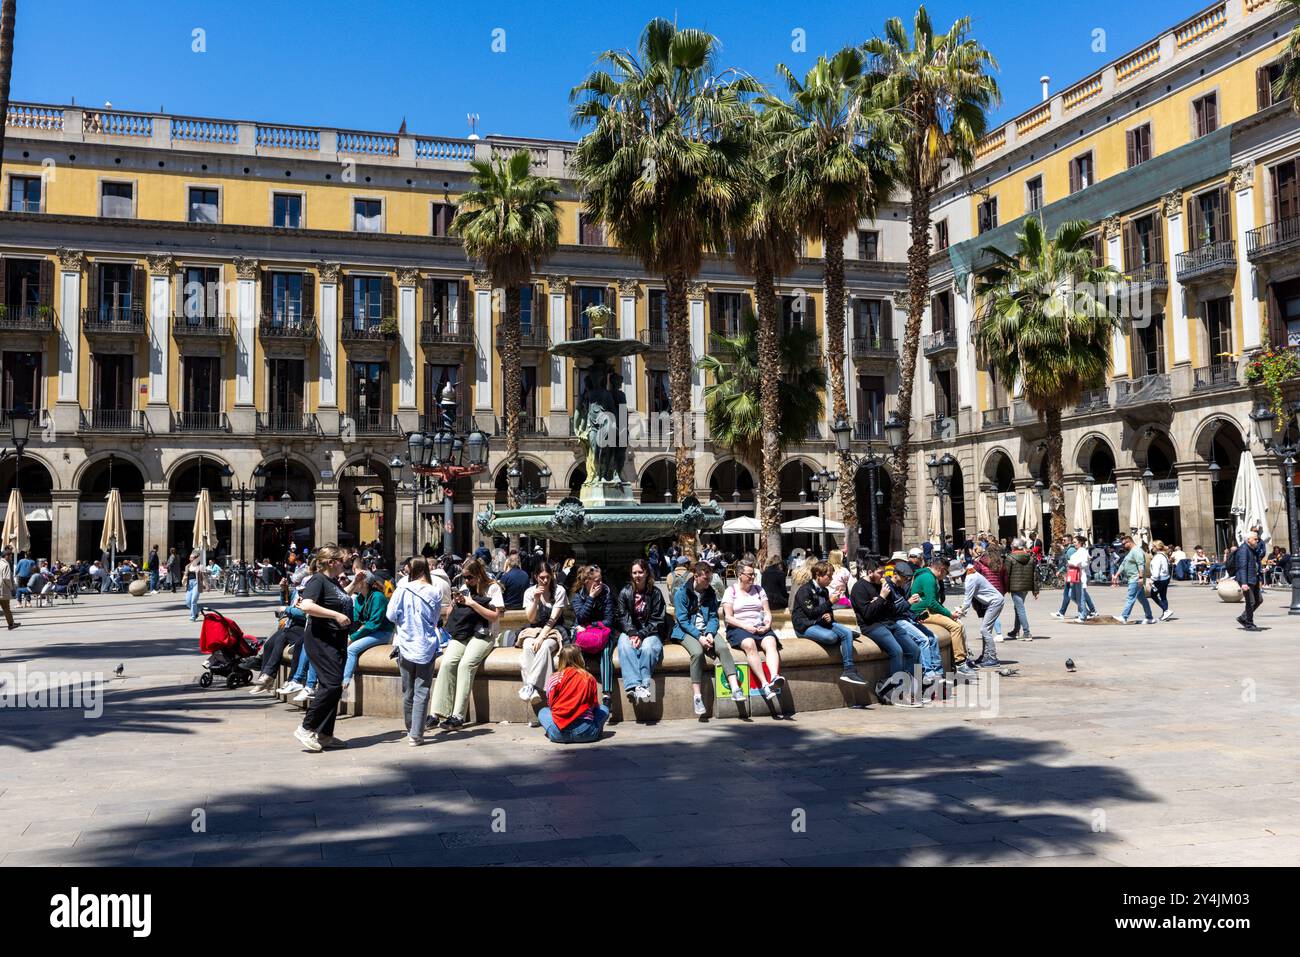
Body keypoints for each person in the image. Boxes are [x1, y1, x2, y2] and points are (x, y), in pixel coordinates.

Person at [431, 558, 503, 729]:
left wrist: (471, 603)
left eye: (470, 577)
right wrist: (454, 605)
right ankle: (437, 713)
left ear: (479, 575)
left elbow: (495, 616)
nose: (467, 581)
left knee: (465, 665)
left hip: (484, 635)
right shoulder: (464, 588)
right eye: (464, 577)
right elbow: (451, 613)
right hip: (464, 633)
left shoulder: (493, 588)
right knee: (447, 663)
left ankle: (457, 716)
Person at [294, 546, 354, 752]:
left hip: (336, 639)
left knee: (334, 686)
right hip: (321, 640)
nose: (344, 563)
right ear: (332, 562)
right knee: (331, 684)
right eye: (341, 560)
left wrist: (356, 584)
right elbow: (307, 605)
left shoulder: (332, 582)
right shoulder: (317, 580)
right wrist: (335, 616)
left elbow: (339, 599)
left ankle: (325, 734)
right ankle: (306, 728)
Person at [671, 561, 746, 715]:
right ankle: (697, 697)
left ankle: (735, 688)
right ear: (696, 576)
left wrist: (711, 633)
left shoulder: (710, 592)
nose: (709, 582)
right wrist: (700, 637)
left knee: (723, 648)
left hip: (706, 630)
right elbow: (683, 621)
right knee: (697, 653)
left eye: (710, 578)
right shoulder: (681, 593)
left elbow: (713, 617)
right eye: (706, 579)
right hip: (687, 631)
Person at [386, 557, 444, 745]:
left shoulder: (402, 587)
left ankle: (410, 727)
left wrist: (403, 620)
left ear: (411, 569)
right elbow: (435, 619)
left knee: (407, 690)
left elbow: (391, 615)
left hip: (405, 643)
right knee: (422, 690)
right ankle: (416, 734)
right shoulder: (435, 591)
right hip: (425, 645)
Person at [849, 558, 922, 706]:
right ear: (870, 572)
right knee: (897, 651)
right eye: (880, 573)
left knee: (914, 650)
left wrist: (883, 600)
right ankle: (895, 692)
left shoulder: (882, 585)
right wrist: (881, 597)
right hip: (872, 626)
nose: (883, 576)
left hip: (889, 623)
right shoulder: (859, 588)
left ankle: (911, 690)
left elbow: (891, 610)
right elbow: (867, 614)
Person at [720, 560, 784, 709]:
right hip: (738, 627)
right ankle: (764, 684)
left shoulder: (759, 589)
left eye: (753, 575)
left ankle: (774, 677)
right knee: (749, 644)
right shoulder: (731, 591)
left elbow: (767, 612)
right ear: (739, 575)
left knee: (770, 642)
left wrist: (767, 624)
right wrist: (746, 627)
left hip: (759, 626)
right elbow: (728, 617)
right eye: (749, 575)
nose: (752, 578)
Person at [792, 560, 867, 686]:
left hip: (821, 623)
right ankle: (845, 638)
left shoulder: (825, 591)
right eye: (828, 576)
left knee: (847, 632)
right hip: (805, 626)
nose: (831, 579)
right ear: (818, 574)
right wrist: (830, 602)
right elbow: (811, 613)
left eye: (832, 576)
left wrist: (829, 616)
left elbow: (828, 611)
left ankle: (849, 670)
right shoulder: (804, 591)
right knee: (831, 637)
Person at [911, 554, 974, 677]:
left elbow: (933, 602)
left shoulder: (926, 575)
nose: (946, 576)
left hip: (926, 610)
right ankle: (960, 663)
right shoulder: (928, 578)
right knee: (956, 627)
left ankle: (958, 660)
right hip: (923, 612)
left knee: (957, 624)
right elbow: (931, 602)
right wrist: (949, 614)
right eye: (946, 572)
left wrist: (948, 613)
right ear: (941, 569)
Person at [615, 559, 666, 706]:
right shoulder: (625, 592)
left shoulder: (655, 593)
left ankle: (644, 685)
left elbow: (658, 619)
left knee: (648, 648)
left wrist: (642, 634)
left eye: (640, 572)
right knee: (624, 645)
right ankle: (634, 686)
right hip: (630, 630)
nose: (637, 575)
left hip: (650, 632)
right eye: (634, 572)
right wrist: (632, 633)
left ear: (646, 573)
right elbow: (622, 616)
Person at [517, 562, 568, 704]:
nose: (545, 581)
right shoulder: (529, 592)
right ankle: (536, 692)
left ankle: (530, 685)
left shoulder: (559, 591)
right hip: (534, 629)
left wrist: (541, 637)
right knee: (527, 646)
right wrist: (535, 600)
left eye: (548, 577)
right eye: (542, 577)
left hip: (554, 630)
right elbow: (531, 618)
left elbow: (553, 619)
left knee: (545, 647)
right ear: (535, 576)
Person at [538, 645, 610, 744]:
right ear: (580, 658)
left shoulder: (554, 678)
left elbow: (551, 704)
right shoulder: (588, 677)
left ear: (561, 659)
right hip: (586, 733)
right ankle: (596, 730)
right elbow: (593, 705)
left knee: (543, 711)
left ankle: (553, 732)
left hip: (559, 734)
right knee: (604, 709)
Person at [341, 570, 394, 691]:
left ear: (364, 583)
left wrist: (352, 637)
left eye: (357, 580)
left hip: (383, 632)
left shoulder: (378, 597)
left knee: (351, 649)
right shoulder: (360, 597)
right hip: (369, 631)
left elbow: (373, 624)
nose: (353, 582)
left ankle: (345, 681)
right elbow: (355, 620)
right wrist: (349, 634)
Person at [570, 564, 616, 703]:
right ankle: (580, 694)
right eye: (596, 581)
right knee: (575, 653)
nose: (600, 583)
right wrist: (591, 598)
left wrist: (592, 626)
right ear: (587, 582)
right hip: (584, 635)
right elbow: (581, 617)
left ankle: (607, 694)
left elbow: (609, 621)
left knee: (606, 650)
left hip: (602, 633)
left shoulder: (607, 594)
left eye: (600, 579)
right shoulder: (577, 596)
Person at [957, 560, 1004, 667]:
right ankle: (985, 656)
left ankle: (992, 657)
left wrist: (958, 612)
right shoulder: (972, 573)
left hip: (994, 602)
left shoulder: (970, 578)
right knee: (986, 630)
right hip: (993, 601)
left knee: (984, 629)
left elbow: (967, 601)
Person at [1113, 534, 1155, 625]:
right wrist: (1116, 575)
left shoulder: (1137, 551)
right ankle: (1149, 618)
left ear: (1129, 542)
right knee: (1143, 599)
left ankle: (1124, 617)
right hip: (1133, 578)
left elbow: (1141, 565)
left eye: (1124, 544)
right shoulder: (1131, 551)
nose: (1123, 546)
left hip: (1135, 579)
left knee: (1130, 598)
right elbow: (1124, 564)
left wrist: (1140, 577)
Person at [1004, 538, 1039, 641]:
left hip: (1015, 587)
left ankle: (1027, 632)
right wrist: (1035, 590)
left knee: (1020, 609)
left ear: (1014, 546)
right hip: (1026, 587)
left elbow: (1006, 574)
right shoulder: (1030, 558)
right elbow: (1034, 575)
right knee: (1018, 608)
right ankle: (1015, 630)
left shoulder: (1010, 557)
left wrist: (1004, 588)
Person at [1234, 530, 1263, 631]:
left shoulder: (1252, 549)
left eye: (1257, 539)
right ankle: (1249, 624)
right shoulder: (1243, 550)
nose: (1257, 540)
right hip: (1247, 580)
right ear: (1248, 540)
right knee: (1250, 602)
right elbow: (1242, 567)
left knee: (1259, 600)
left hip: (1253, 578)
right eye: (1255, 539)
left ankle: (1243, 617)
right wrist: (1244, 583)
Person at [1149, 540, 1174, 622]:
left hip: (1159, 580)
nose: (1152, 548)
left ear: (1156, 547)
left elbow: (1156, 572)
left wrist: (1152, 580)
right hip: (1166, 578)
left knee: (1153, 595)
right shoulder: (1164, 555)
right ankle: (1165, 614)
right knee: (1163, 596)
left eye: (1153, 546)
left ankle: (1166, 610)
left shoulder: (1157, 557)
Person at [0, 547, 19, 631]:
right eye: (10, 556)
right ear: (7, 556)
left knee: (5, 607)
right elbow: (6, 578)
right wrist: (11, 587)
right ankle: (11, 624)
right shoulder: (6, 564)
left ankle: (11, 623)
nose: (11, 558)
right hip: (3, 590)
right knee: (6, 608)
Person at [184, 551, 203, 621]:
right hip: (189, 585)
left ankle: (193, 616)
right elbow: (185, 576)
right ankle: (197, 610)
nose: (191, 559)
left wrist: (207, 586)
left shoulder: (200, 566)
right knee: (188, 603)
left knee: (193, 601)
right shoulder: (187, 566)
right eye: (190, 557)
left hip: (196, 584)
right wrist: (184, 581)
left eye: (193, 558)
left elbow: (204, 577)